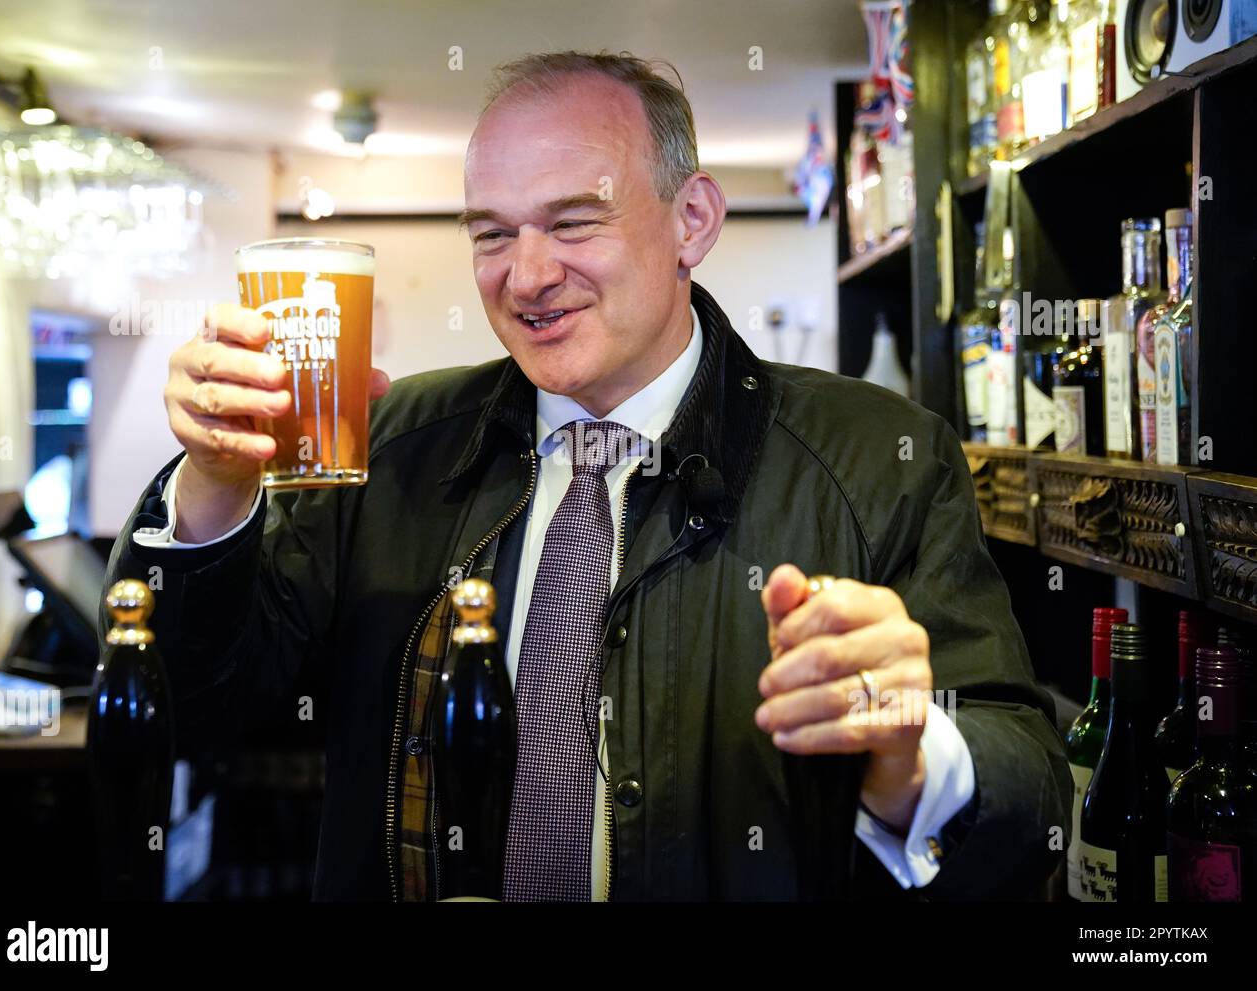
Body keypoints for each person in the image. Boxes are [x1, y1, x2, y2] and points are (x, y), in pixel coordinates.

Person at [103, 51, 1069, 901]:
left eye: (572, 222)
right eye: (491, 234)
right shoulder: (392, 444)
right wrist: (216, 489)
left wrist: (911, 756)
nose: (526, 276)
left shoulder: (875, 456)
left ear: (691, 219)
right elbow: (200, 708)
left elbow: (1033, 798)